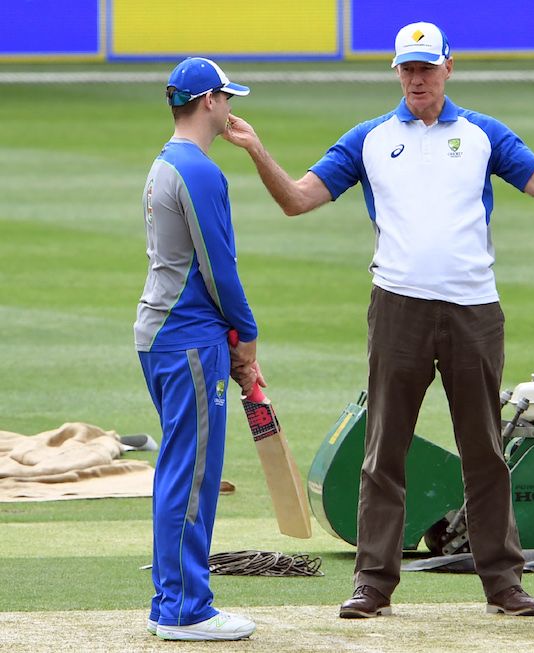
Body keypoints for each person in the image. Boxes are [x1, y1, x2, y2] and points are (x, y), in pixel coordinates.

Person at [224, 21, 534, 619]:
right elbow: (298, 200)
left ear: (449, 67)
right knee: (384, 448)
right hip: (398, 306)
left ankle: (503, 582)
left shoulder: (483, 134)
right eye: (407, 68)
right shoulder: (370, 139)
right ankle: (372, 584)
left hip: (474, 308)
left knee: (484, 448)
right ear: (396, 71)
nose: (417, 79)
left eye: (426, 67)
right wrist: (256, 149)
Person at [135, 56, 263, 641]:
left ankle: (173, 600)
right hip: (189, 339)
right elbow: (220, 268)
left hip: (161, 334)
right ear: (209, 101)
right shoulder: (201, 170)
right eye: (227, 98)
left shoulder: (165, 160)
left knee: (177, 469)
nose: (231, 107)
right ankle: (186, 607)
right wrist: (246, 336)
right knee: (191, 475)